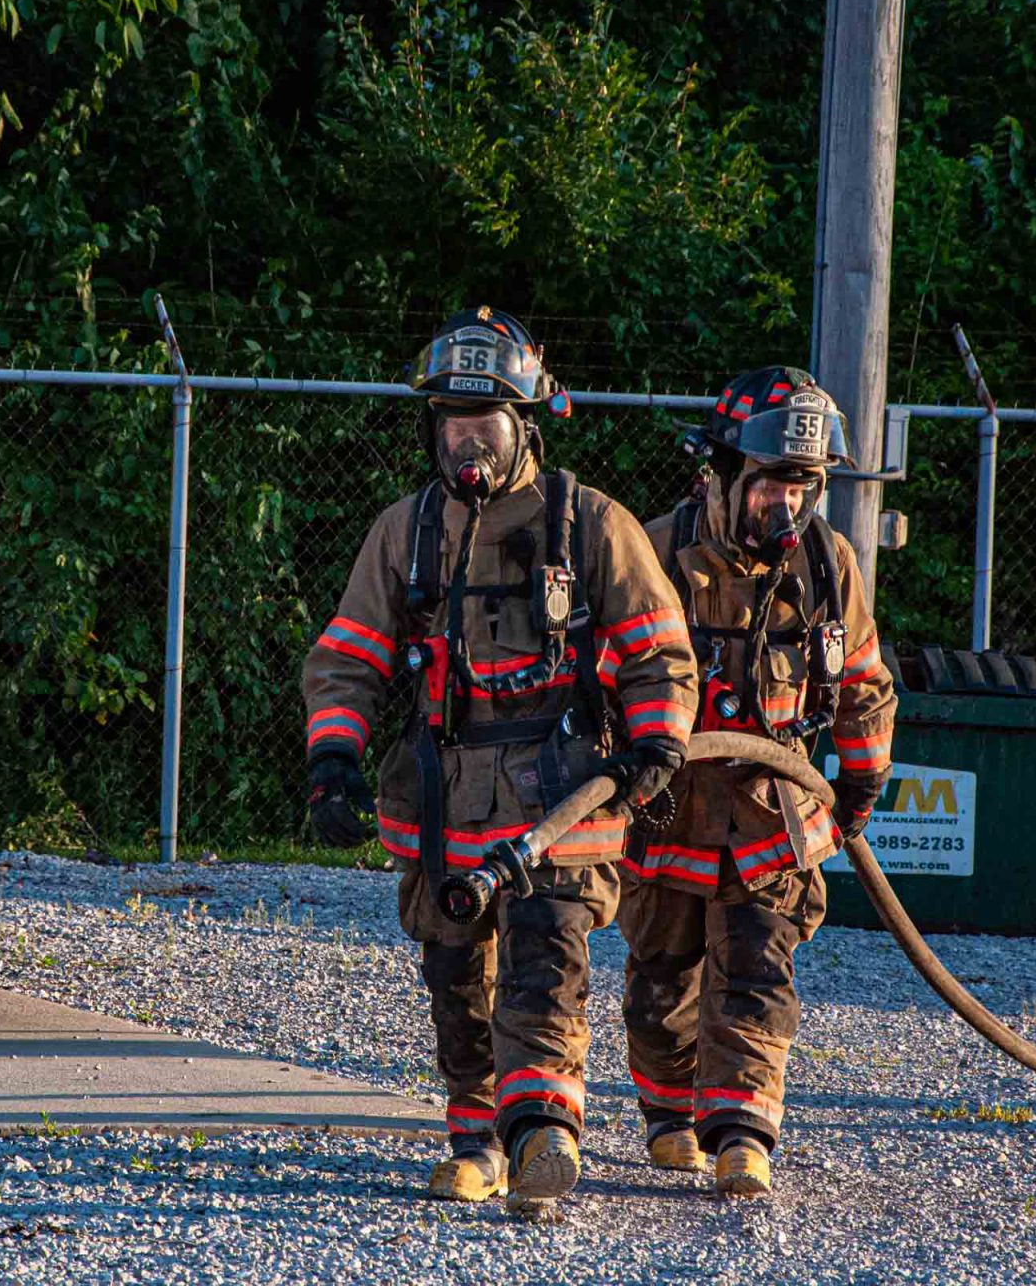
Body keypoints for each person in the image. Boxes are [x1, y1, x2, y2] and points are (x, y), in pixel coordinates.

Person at [302, 308, 698, 1214]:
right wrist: (333, 759)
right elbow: (347, 659)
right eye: (450, 421)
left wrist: (655, 740)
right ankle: (476, 1138)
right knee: (457, 986)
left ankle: (543, 1137)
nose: (465, 440)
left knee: (546, 962)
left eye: (484, 422)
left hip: (563, 798)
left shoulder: (589, 524)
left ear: (524, 424)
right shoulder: (406, 534)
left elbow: (658, 652)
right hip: (444, 802)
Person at [618, 365, 897, 1197]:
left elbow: (864, 681)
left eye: (804, 487)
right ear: (723, 474)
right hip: (666, 815)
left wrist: (861, 780)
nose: (788, 505)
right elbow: (609, 674)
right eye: (772, 485)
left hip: (773, 818)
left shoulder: (828, 563)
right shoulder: (655, 553)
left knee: (755, 970)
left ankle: (742, 1131)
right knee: (662, 983)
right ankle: (671, 1120)